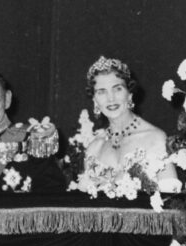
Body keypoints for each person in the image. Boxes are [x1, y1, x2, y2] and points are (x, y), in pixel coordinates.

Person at [76, 57, 178, 192]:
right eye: (102, 91)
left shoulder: (155, 138)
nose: (110, 98)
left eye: (117, 89)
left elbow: (173, 202)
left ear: (129, 94)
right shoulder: (94, 149)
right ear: (95, 100)